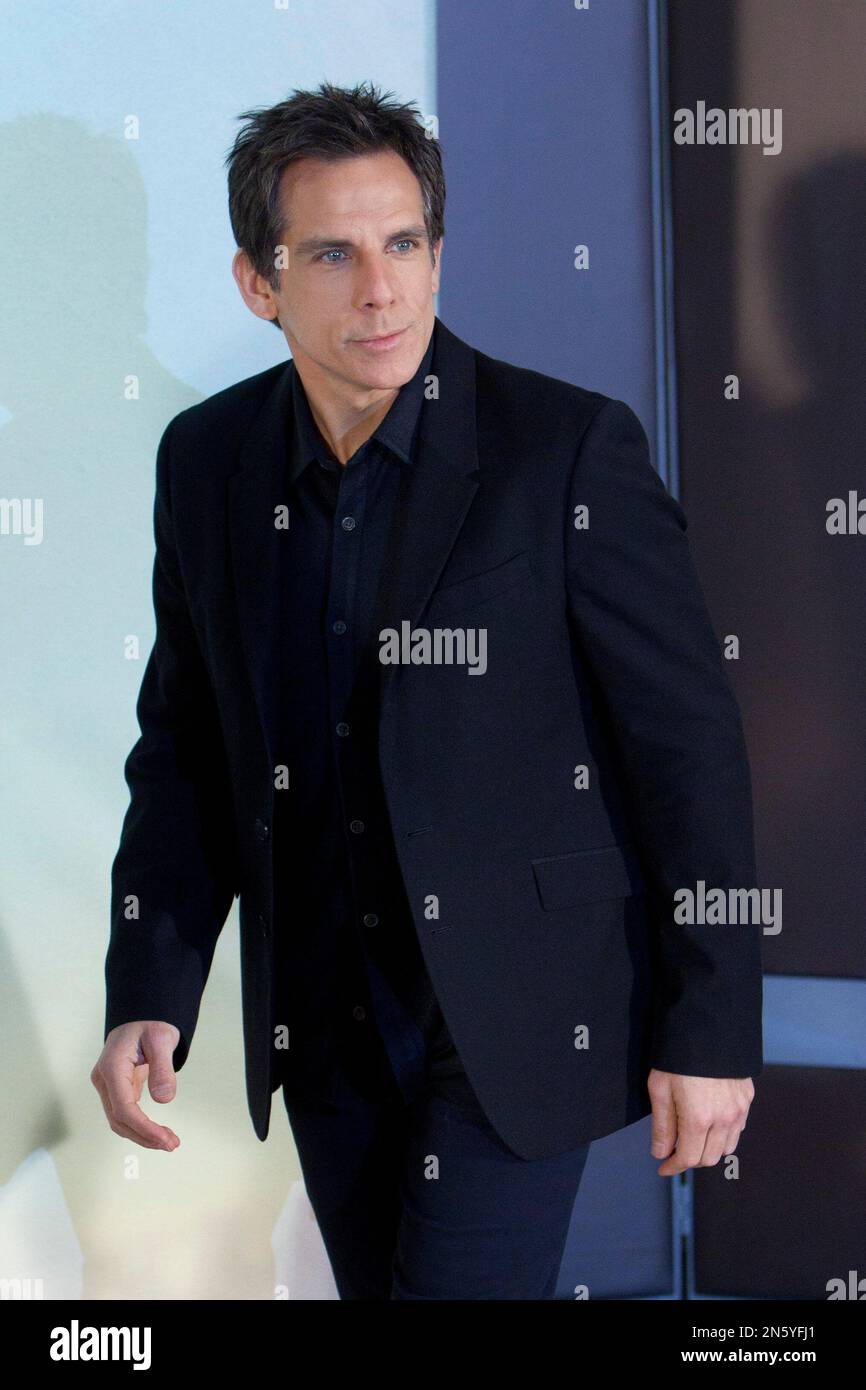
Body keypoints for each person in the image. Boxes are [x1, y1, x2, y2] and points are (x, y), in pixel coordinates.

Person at [92, 80, 763, 1300]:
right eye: (334, 255)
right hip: (326, 1023)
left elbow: (687, 747)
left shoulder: (563, 448)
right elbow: (187, 743)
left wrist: (708, 1025)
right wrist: (150, 981)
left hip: (516, 1022)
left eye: (404, 245)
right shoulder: (207, 461)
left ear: (438, 255)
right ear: (259, 282)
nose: (381, 289)